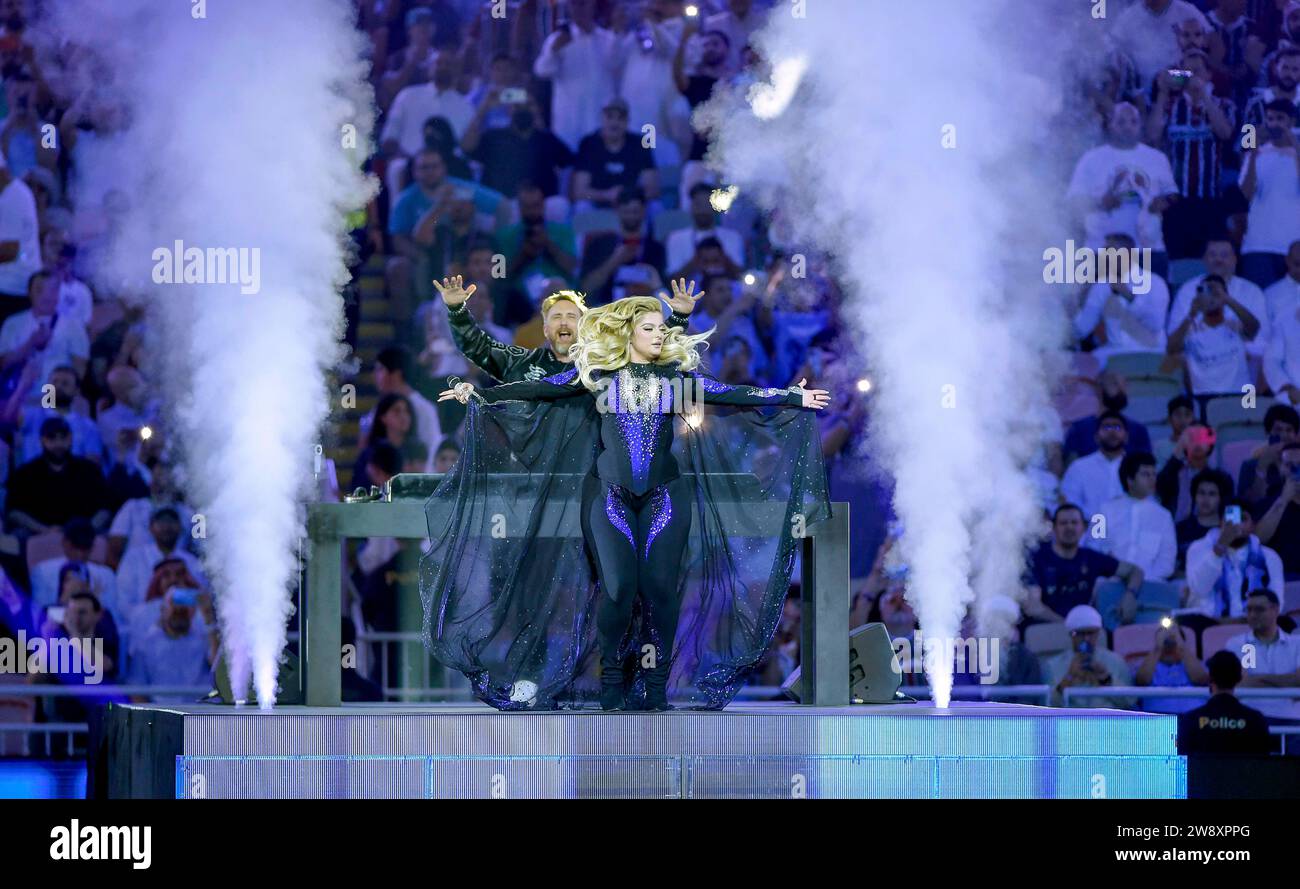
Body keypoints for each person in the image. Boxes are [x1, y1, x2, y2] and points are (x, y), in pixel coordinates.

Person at [429, 286, 832, 711]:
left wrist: (792, 396)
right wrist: (478, 396)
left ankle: (656, 687)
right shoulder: (596, 376)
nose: (659, 335)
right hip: (610, 497)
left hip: (665, 497)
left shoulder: (676, 380)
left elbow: (733, 393)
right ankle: (613, 682)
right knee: (619, 589)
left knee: (660, 589)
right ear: (629, 333)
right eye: (649, 328)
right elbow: (536, 390)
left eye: (662, 329)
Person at [1065, 104, 1178, 265]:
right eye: (1121, 122)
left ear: (1140, 125)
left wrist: (1161, 203)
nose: (1128, 127)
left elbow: (1172, 194)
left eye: (1133, 122)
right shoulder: (1091, 159)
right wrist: (1099, 203)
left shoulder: (1157, 158)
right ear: (1110, 124)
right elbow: (1074, 202)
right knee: (1102, 291)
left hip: (1148, 248)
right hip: (1100, 248)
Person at [1023, 504, 1145, 624]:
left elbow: (1135, 571)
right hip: (1044, 631)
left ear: (1084, 528)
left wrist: (1130, 595)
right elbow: (1034, 608)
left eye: (1074, 523)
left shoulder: (1091, 558)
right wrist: (1069, 627)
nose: (1069, 527)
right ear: (1054, 528)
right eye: (1063, 523)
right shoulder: (1036, 559)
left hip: (1082, 633)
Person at [532, 0, 619, 150]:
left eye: (583, 3)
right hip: (569, 123)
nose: (579, 8)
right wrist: (553, 51)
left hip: (601, 121)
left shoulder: (609, 39)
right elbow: (541, 71)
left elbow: (619, 70)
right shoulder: (557, 39)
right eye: (574, 4)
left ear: (592, 5)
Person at [6, 415, 109, 534]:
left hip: (83, 537)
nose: (58, 443)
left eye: (63, 438)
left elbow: (105, 508)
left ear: (70, 439)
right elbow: (14, 511)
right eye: (52, 438)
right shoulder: (25, 473)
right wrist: (44, 530)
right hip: (37, 534)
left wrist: (85, 530)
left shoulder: (89, 470)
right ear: (42, 440)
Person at [1185, 498, 1285, 620]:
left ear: (1253, 525)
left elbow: (1276, 603)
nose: (1236, 525)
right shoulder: (1199, 548)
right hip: (1209, 623)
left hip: (1253, 625)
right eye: (1230, 519)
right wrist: (1219, 548)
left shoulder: (1269, 557)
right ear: (1220, 522)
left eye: (1243, 519)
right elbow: (1199, 589)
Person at [1238, 99, 1300, 288]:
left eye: (1280, 118)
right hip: (1258, 244)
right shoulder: (1254, 155)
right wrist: (1254, 155)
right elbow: (1246, 195)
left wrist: (1295, 145)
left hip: (1294, 245)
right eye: (1270, 118)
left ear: (1292, 122)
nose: (1274, 124)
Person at [1166, 273, 1260, 397]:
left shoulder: (1235, 325)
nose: (1211, 297)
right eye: (1206, 291)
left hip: (1240, 396)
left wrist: (1227, 299)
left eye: (1215, 292)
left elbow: (1254, 326)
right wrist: (1191, 313)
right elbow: (1171, 349)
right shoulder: (1190, 329)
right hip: (1204, 397)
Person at [1096, 452, 1178, 583]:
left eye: (1154, 474)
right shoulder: (1102, 511)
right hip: (1109, 582)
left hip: (1150, 585)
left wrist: (1139, 580)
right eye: (1146, 474)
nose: (1152, 479)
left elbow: (1167, 562)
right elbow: (1093, 546)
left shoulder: (1164, 516)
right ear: (1130, 479)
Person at [578, 186, 667, 305]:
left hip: (645, 309)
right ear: (617, 210)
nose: (631, 216)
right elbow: (586, 288)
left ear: (644, 210)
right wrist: (615, 261)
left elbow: (661, 288)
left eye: (635, 212)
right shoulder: (599, 244)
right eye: (626, 212)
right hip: (606, 309)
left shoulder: (656, 248)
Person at [1177, 649, 1275, 754]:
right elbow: (1263, 761)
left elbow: (1184, 758)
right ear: (1239, 678)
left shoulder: (1191, 720)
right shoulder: (1256, 719)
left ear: (1210, 678)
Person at [571, 98, 660, 212]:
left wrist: (626, 196)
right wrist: (606, 195)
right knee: (582, 207)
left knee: (655, 206)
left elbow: (653, 189)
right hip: (598, 203)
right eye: (610, 117)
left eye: (620, 118)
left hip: (631, 205)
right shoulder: (589, 144)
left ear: (628, 121)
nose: (615, 123)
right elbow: (578, 191)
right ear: (601, 119)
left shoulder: (641, 143)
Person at [1223, 589, 1300, 718]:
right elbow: (1241, 683)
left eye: (1259, 609)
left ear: (1276, 610)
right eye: (1249, 610)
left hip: (1291, 718)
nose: (1252, 615)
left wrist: (1258, 679)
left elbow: (1299, 680)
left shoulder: (1297, 644)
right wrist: (1287, 682)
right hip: (1250, 719)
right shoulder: (1236, 644)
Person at [1043, 604, 1133, 709]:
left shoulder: (1115, 661)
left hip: (1106, 721)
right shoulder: (1053, 666)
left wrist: (1106, 679)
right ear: (1071, 634)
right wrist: (1069, 677)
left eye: (1091, 633)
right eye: (1080, 633)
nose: (1086, 639)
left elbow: (1129, 702)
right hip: (1071, 722)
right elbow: (1047, 706)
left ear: (1098, 633)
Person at [1060, 409, 1130, 520]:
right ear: (1096, 437)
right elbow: (1070, 505)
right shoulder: (1078, 468)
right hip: (1089, 531)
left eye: (1117, 427)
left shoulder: (1135, 468)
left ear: (1126, 437)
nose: (1112, 432)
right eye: (1106, 427)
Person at [1135, 619, 1209, 714]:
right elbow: (1142, 681)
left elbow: (1201, 680)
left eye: (1173, 642)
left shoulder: (1195, 663)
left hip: (1193, 720)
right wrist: (1158, 648)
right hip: (1158, 721)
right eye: (1166, 642)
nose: (1169, 646)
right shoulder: (1148, 664)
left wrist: (1181, 646)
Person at [1252, 441, 1300, 577]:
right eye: (1289, 465)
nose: (1295, 470)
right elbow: (1258, 539)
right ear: (1280, 467)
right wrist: (1283, 500)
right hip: (1280, 579)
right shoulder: (1267, 503)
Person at [1262, 240, 1300, 405]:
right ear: (1287, 261)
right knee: (1248, 405)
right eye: (1298, 263)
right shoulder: (1270, 295)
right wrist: (1286, 387)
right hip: (1288, 391)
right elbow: (1271, 358)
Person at [1237, 402, 1298, 501]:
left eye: (1289, 430)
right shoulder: (1249, 466)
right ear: (1267, 433)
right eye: (1278, 430)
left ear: (1295, 435)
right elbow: (1249, 504)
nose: (1283, 435)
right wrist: (1263, 466)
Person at [1155, 421, 1216, 520]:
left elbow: (1232, 507)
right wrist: (1178, 449)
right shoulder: (1174, 473)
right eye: (1192, 437)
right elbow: (1159, 488)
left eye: (1202, 437)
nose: (1198, 443)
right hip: (1174, 530)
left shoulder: (1220, 477)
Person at [1175, 467, 1233, 572]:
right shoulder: (1180, 529)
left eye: (1212, 494)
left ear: (1221, 498)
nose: (1205, 499)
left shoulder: (1227, 531)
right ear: (1194, 496)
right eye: (1201, 493)